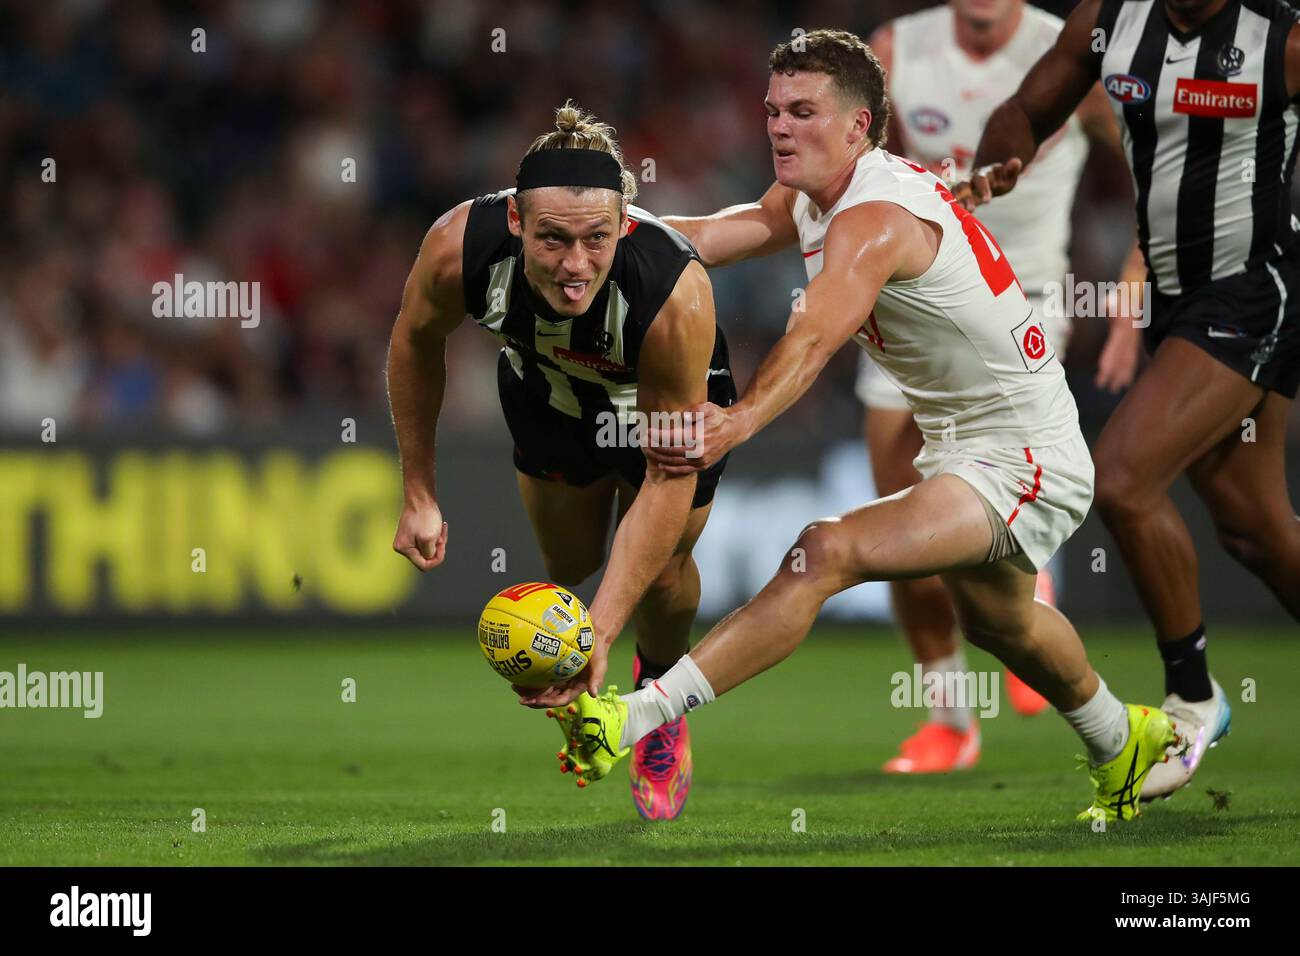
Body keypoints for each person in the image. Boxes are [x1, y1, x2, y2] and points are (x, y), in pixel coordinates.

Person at [534, 30, 1179, 822]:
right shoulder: (812, 197)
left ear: (859, 126)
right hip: (967, 441)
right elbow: (697, 240)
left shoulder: (872, 218)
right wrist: (588, 225)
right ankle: (1125, 743)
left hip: (1023, 452)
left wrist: (734, 422)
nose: (778, 127)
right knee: (1002, 624)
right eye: (773, 110)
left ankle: (634, 718)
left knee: (822, 551)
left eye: (804, 112)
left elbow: (811, 340)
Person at [961, 0, 1300, 798]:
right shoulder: (1109, 22)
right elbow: (1025, 109)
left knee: (1121, 476)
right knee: (1254, 529)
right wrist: (1000, 161)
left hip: (1255, 290)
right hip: (1177, 304)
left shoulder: (1280, 40)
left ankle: (1191, 693)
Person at [387, 103, 736, 820]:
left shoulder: (674, 297)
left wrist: (595, 641)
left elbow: (671, 475)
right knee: (570, 565)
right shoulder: (459, 248)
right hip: (548, 404)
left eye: (595, 241)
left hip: (659, 417)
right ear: (515, 221)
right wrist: (418, 490)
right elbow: (414, 344)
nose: (575, 267)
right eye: (552, 240)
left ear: (625, 228)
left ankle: (658, 701)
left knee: (661, 575)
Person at [857, 0, 1146, 774]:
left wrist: (1133, 285)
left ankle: (1023, 580)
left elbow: (1154, 167)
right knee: (897, 510)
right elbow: (857, 176)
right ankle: (951, 722)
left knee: (984, 469)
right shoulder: (894, 48)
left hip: (1021, 298)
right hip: (910, 297)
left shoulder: (1069, 56)